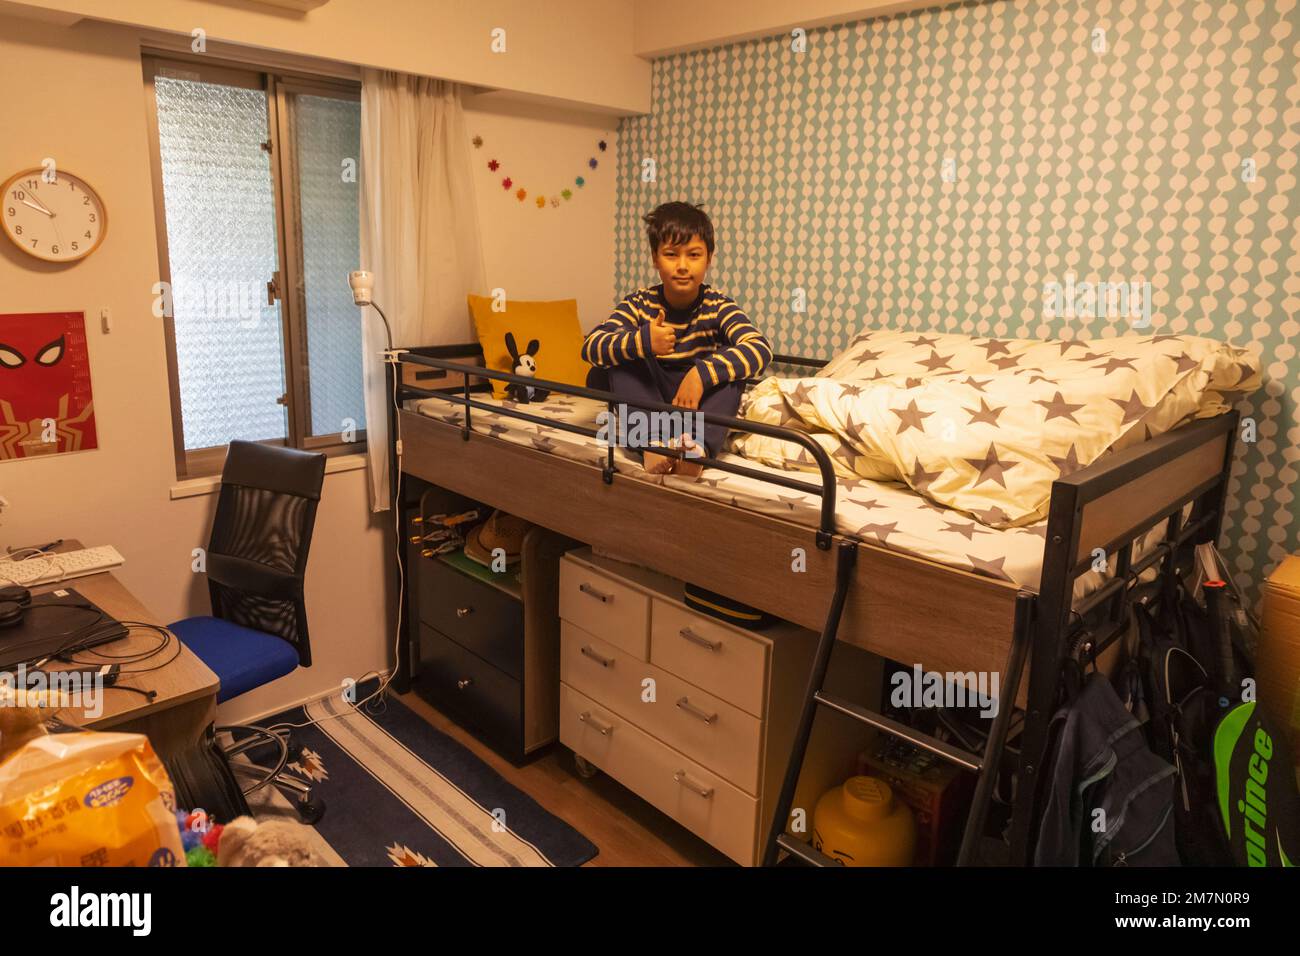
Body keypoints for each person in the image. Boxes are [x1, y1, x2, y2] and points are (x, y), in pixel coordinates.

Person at [581, 201, 773, 478]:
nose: (683, 266)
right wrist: (642, 341)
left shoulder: (718, 305)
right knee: (623, 358)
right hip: (648, 405)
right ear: (655, 259)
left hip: (695, 406)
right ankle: (653, 444)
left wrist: (701, 374)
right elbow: (591, 347)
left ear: (709, 259)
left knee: (733, 370)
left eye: (693, 255)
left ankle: (696, 450)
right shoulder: (639, 303)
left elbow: (760, 348)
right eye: (671, 255)